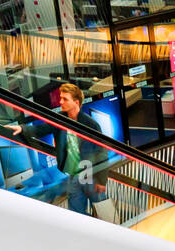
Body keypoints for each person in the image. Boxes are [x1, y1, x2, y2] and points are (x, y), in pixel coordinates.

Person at [7, 82, 108, 216]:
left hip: (91, 174)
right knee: (76, 216)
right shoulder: (59, 119)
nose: (60, 102)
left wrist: (101, 181)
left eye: (65, 99)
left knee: (104, 211)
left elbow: (101, 152)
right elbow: (39, 129)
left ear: (76, 102)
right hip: (73, 176)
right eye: (60, 98)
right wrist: (22, 128)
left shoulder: (91, 124)